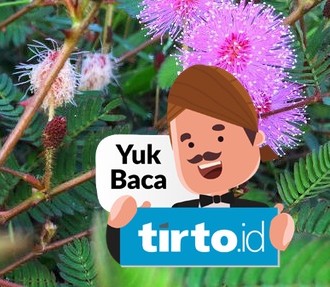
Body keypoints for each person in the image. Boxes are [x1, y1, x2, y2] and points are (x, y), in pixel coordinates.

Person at [105, 65, 294, 262]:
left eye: (220, 138)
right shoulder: (177, 212)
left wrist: (278, 239)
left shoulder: (255, 217)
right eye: (189, 143)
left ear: (255, 140)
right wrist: (120, 229)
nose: (204, 153)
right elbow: (136, 249)